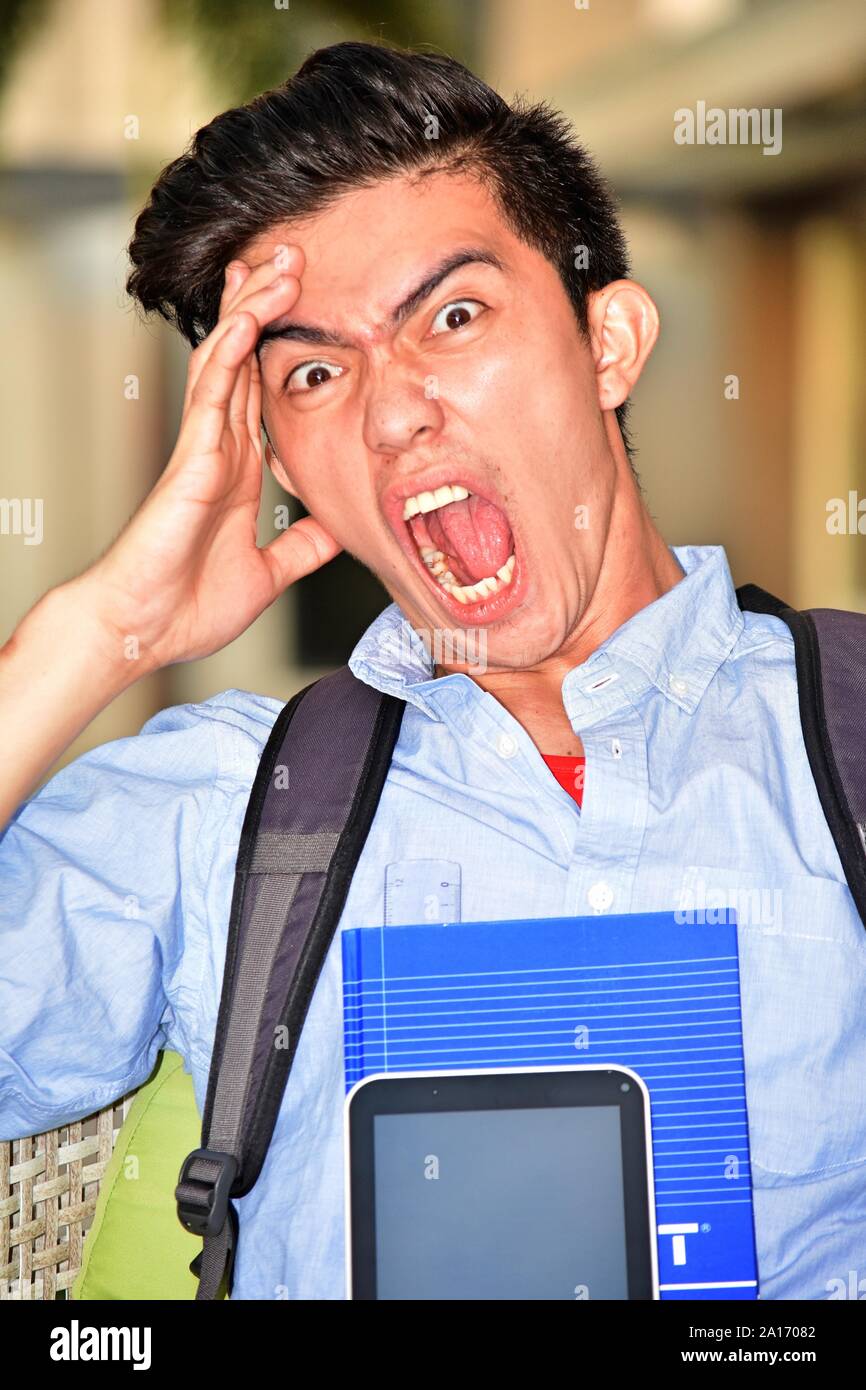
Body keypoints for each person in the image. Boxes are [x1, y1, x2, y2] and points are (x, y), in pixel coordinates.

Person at [1, 41, 863, 1302]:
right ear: (277, 459)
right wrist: (95, 638)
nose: (391, 410)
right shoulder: (228, 805)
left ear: (607, 340)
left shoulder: (844, 730)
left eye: (452, 316)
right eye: (312, 371)